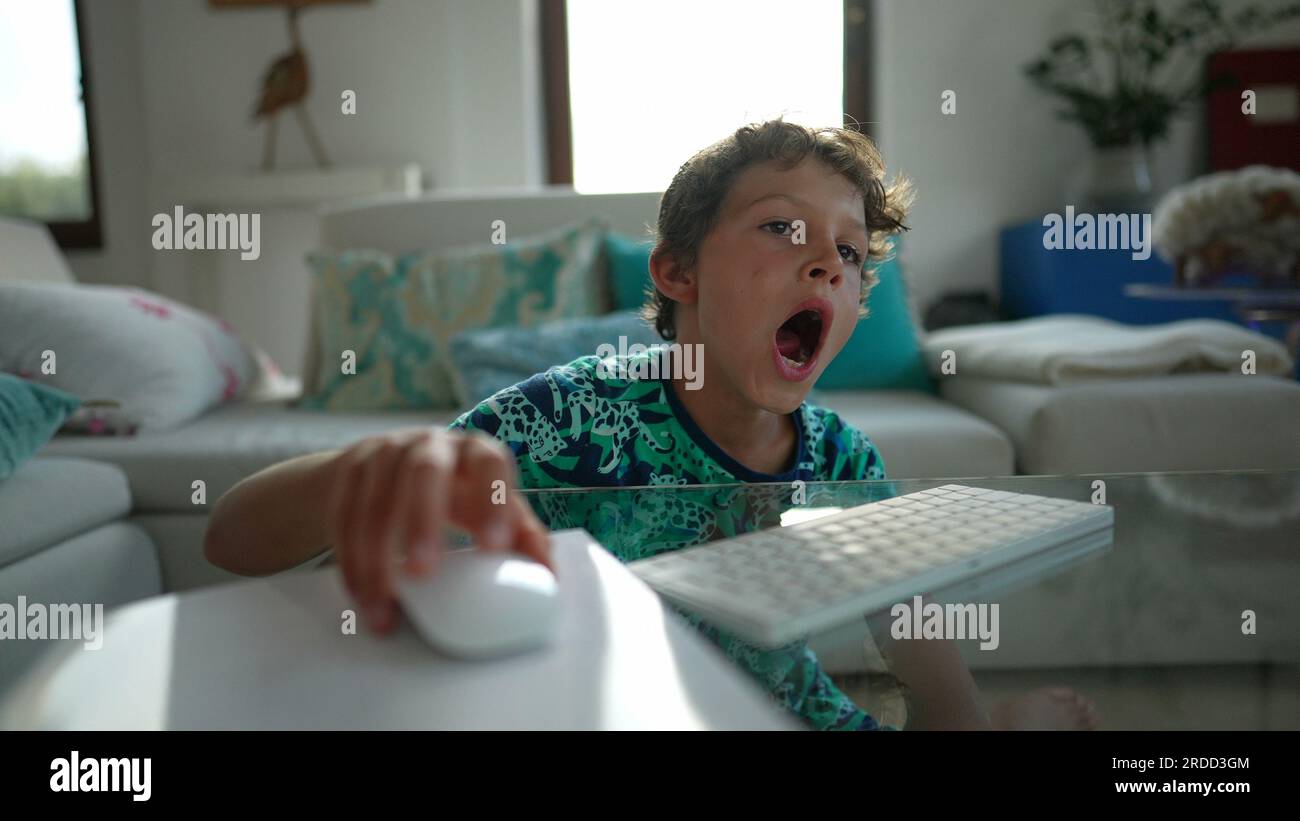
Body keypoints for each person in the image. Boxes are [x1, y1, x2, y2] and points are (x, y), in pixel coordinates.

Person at [205, 120, 1097, 731]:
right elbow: (230, 536)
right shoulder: (565, 416)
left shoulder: (845, 460)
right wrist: (361, 470)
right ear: (676, 273)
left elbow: (931, 679)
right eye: (782, 228)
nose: (829, 263)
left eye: (851, 252)